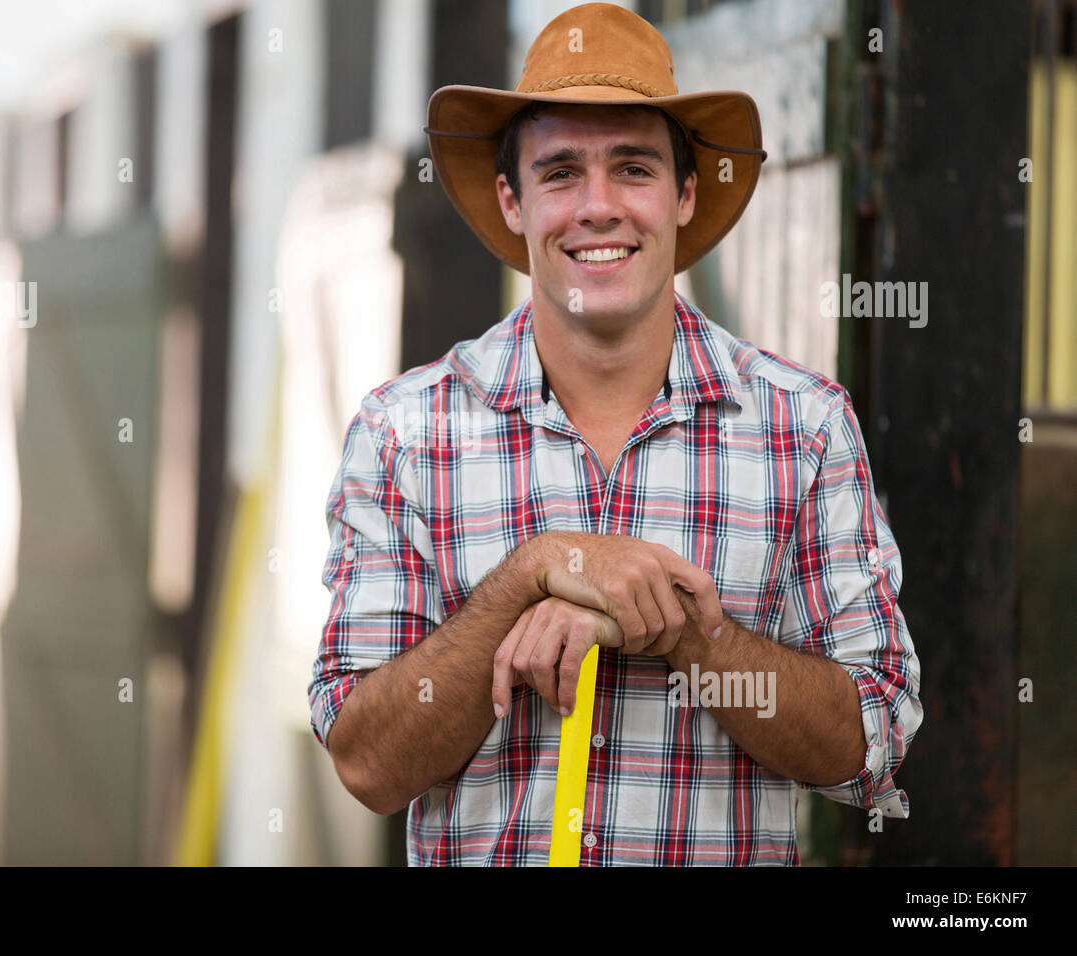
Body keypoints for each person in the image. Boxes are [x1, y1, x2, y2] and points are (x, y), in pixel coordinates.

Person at [307, 2, 921, 865]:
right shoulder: (405, 434)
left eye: (632, 168)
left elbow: (875, 737)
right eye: (560, 173)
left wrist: (684, 636)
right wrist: (529, 576)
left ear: (684, 195)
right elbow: (367, 764)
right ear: (511, 202)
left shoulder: (804, 428)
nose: (599, 207)